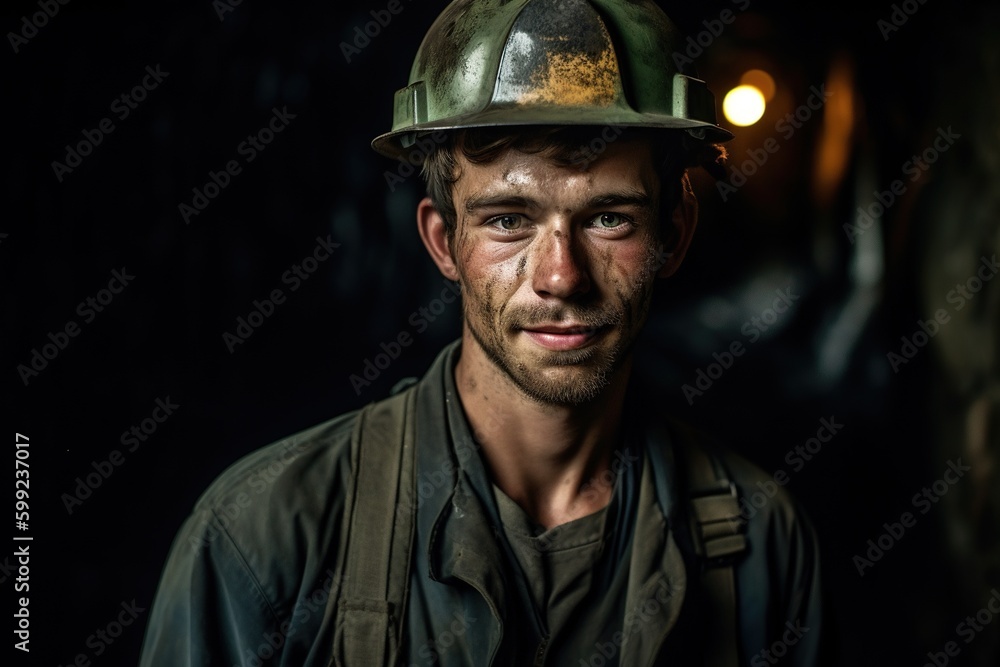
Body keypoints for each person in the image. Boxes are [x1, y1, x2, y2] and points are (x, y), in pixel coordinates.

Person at [139, 1, 824, 665]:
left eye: (608, 218)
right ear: (444, 242)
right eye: (508, 221)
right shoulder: (265, 540)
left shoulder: (760, 543)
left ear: (674, 234)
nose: (561, 276)